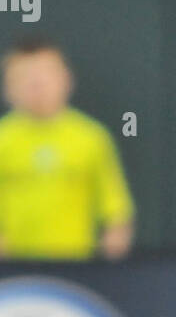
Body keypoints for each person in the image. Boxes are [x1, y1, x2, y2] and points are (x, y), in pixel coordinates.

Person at [0, 40, 135, 260]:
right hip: (11, 271)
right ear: (8, 87)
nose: (37, 84)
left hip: (77, 269)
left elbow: (116, 209)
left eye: (45, 74)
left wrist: (111, 261)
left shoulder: (92, 137)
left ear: (66, 79)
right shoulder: (2, 138)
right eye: (24, 76)